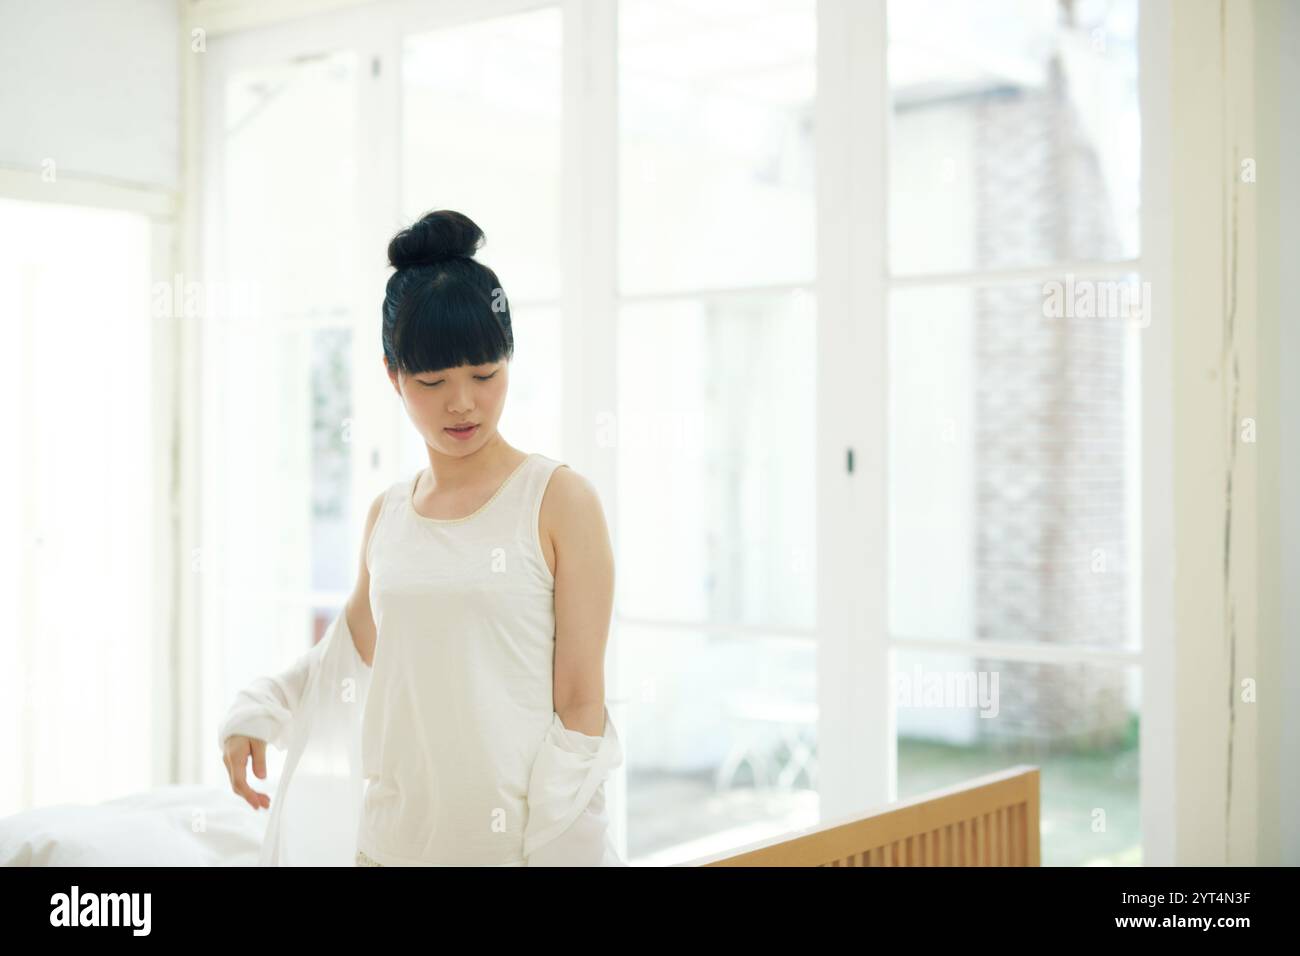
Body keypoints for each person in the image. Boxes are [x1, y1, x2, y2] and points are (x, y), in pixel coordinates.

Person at [219, 209, 624, 866]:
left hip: (519, 849)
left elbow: (581, 703)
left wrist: (558, 847)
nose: (462, 403)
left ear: (509, 363)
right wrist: (257, 708)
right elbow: (344, 659)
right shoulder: (389, 515)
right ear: (393, 375)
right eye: (433, 382)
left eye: (485, 375)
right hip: (393, 846)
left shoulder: (557, 502)